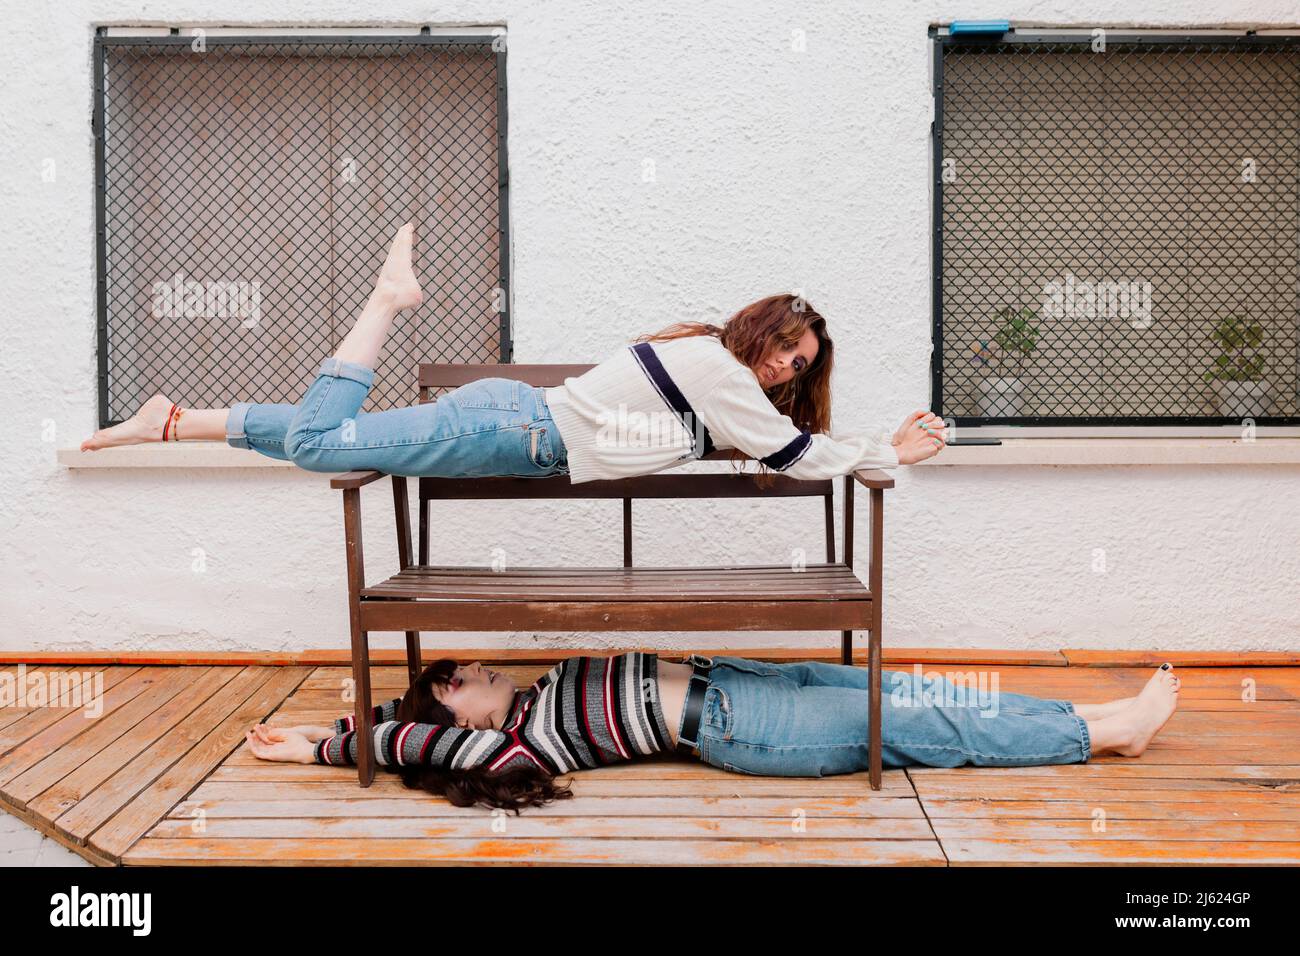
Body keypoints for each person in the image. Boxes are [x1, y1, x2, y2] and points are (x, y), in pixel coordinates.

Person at [80, 223, 949, 481]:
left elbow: (767, 439)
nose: (784, 372)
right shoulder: (719, 371)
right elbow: (794, 454)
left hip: (508, 425)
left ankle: (174, 421)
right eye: (785, 352)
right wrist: (892, 452)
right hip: (508, 433)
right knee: (320, 445)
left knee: (326, 435)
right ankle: (386, 302)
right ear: (758, 331)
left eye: (798, 370)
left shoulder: (702, 359)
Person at [245, 652, 1181, 813]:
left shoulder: (523, 701)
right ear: (454, 716)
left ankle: (1090, 722)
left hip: (742, 682)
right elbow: (410, 738)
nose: (471, 674)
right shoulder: (509, 748)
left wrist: (321, 728)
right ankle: (1100, 738)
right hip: (747, 727)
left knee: (914, 690)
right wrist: (332, 751)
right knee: (921, 726)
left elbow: (394, 718)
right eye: (455, 685)